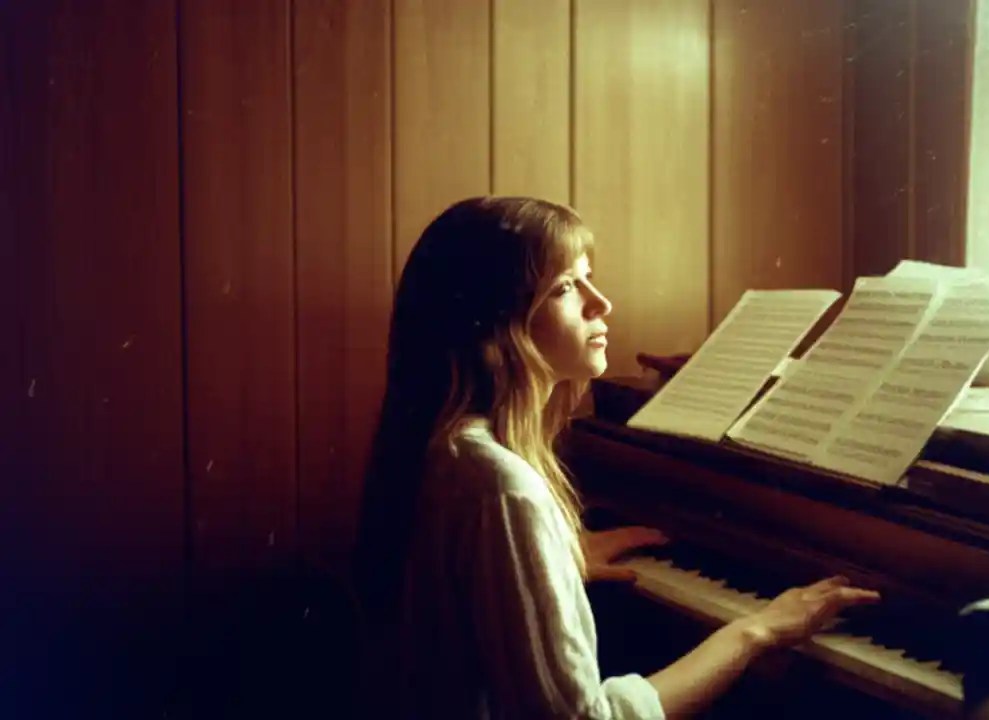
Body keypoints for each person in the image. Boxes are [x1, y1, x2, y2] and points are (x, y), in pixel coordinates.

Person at [353, 196, 880, 719]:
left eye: (588, 277)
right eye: (564, 287)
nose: (599, 302)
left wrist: (557, 559)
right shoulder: (501, 484)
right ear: (495, 328)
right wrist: (753, 630)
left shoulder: (452, 448)